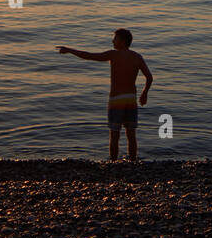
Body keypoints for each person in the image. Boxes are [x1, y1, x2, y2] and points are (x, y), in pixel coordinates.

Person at [57, 29, 152, 161]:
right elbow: (149, 77)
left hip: (116, 100)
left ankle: (113, 162)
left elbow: (88, 55)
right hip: (131, 100)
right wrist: (144, 93)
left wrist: (69, 50)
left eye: (115, 39)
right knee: (131, 134)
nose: (112, 41)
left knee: (114, 134)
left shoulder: (113, 55)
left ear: (123, 42)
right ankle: (133, 161)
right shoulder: (137, 57)